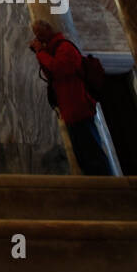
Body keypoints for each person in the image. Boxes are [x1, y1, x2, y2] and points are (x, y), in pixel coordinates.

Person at [29, 20, 113, 175]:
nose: (38, 37)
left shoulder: (65, 47)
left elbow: (60, 69)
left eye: (39, 33)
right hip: (69, 111)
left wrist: (41, 52)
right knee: (82, 155)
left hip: (79, 107)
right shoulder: (53, 51)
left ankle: (107, 186)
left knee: (92, 152)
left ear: (49, 28)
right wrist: (41, 54)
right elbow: (51, 75)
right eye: (36, 34)